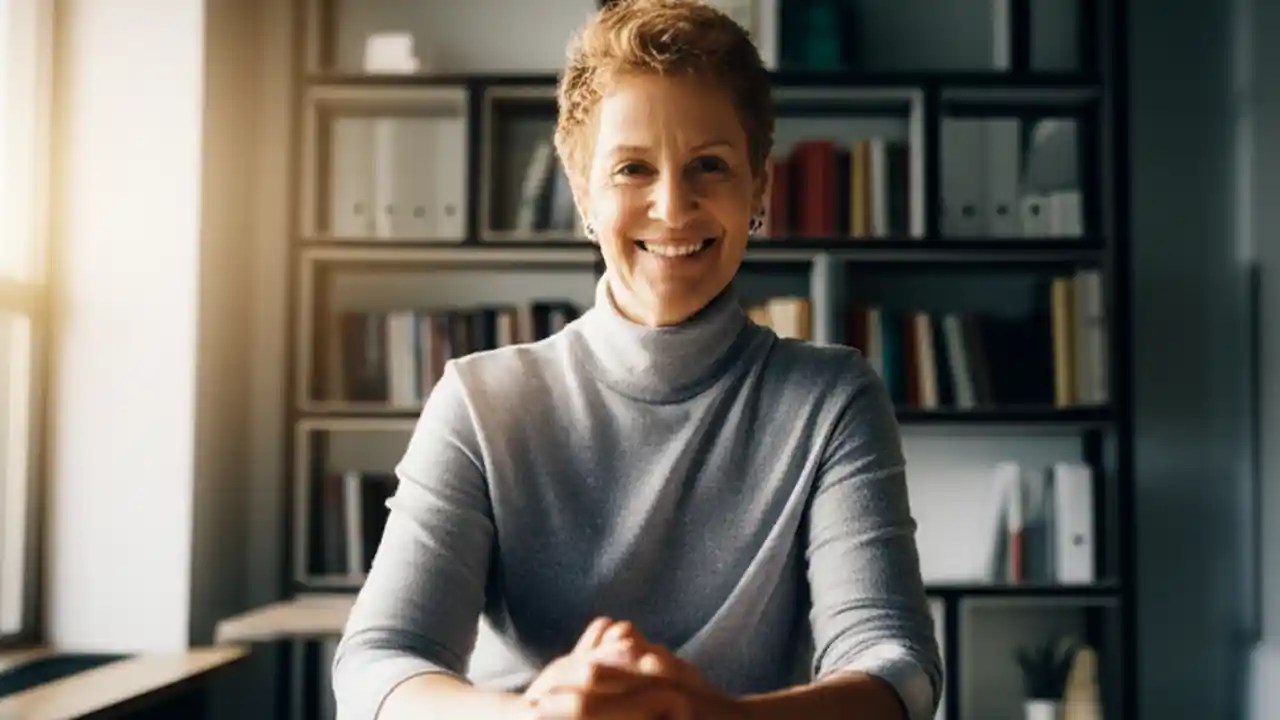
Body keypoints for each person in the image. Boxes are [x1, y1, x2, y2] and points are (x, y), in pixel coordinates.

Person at [332, 1, 943, 718]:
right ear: (583, 195)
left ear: (760, 189)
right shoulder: (480, 400)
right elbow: (377, 664)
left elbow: (896, 667)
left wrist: (717, 718)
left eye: (709, 166)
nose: (673, 207)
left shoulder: (832, 398)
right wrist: (537, 717)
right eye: (631, 169)